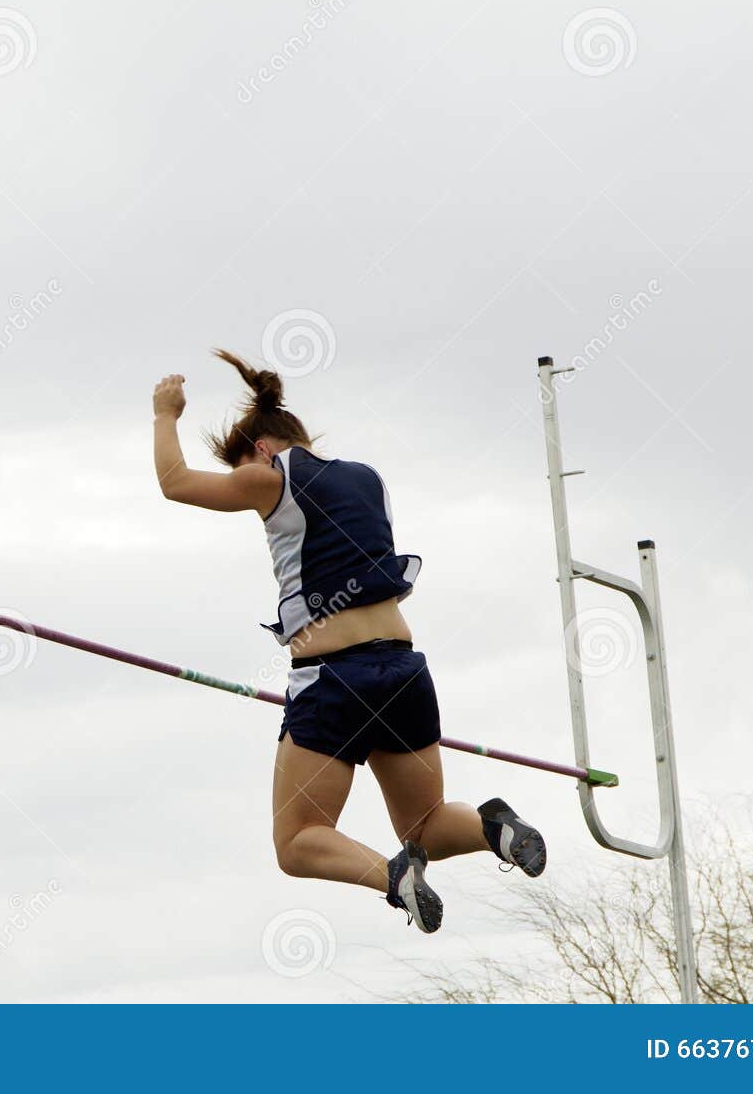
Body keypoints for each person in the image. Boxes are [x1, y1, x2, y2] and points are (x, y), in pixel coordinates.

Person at [151, 350, 547, 932]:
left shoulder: (270, 475)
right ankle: (494, 829)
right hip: (404, 671)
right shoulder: (369, 480)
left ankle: (393, 878)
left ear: (261, 450)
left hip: (334, 677)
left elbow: (174, 483)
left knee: (298, 842)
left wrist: (166, 413)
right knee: (427, 826)